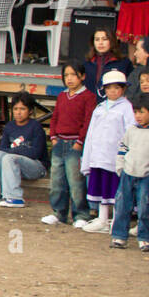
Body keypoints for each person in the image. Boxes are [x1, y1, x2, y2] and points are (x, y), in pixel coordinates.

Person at [41, 62, 97, 226]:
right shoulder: (62, 96)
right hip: (60, 142)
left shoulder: (88, 97)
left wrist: (80, 142)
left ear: (82, 76)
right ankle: (59, 213)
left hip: (75, 143)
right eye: (66, 75)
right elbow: (55, 117)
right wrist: (53, 137)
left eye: (73, 75)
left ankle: (81, 215)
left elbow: (88, 122)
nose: (69, 79)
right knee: (57, 181)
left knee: (76, 182)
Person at [108, 94, 149, 251]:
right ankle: (119, 236)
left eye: (142, 112)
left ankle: (145, 238)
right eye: (136, 112)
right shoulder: (131, 130)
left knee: (144, 207)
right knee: (122, 205)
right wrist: (120, 168)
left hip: (146, 176)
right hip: (128, 173)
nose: (138, 116)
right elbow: (123, 149)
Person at [80, 70, 134, 234]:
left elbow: (130, 131)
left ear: (123, 89)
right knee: (102, 189)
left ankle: (116, 220)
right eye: (109, 88)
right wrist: (87, 156)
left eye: (117, 88)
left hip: (114, 157)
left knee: (116, 190)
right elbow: (91, 133)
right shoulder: (100, 108)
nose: (113, 91)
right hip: (99, 155)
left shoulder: (126, 108)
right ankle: (102, 219)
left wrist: (126, 155)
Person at [0, 92, 48, 208]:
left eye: (23, 109)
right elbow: (2, 149)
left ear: (30, 111)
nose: (18, 112)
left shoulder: (36, 127)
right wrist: (18, 151)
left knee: (9, 157)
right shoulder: (10, 126)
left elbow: (35, 153)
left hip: (37, 167)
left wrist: (14, 151)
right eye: (15, 109)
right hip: (15, 163)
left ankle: (15, 198)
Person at [83, 29, 131, 101]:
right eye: (97, 40)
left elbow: (130, 84)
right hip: (90, 103)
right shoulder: (87, 62)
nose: (100, 43)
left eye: (104, 39)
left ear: (112, 41)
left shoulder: (123, 62)